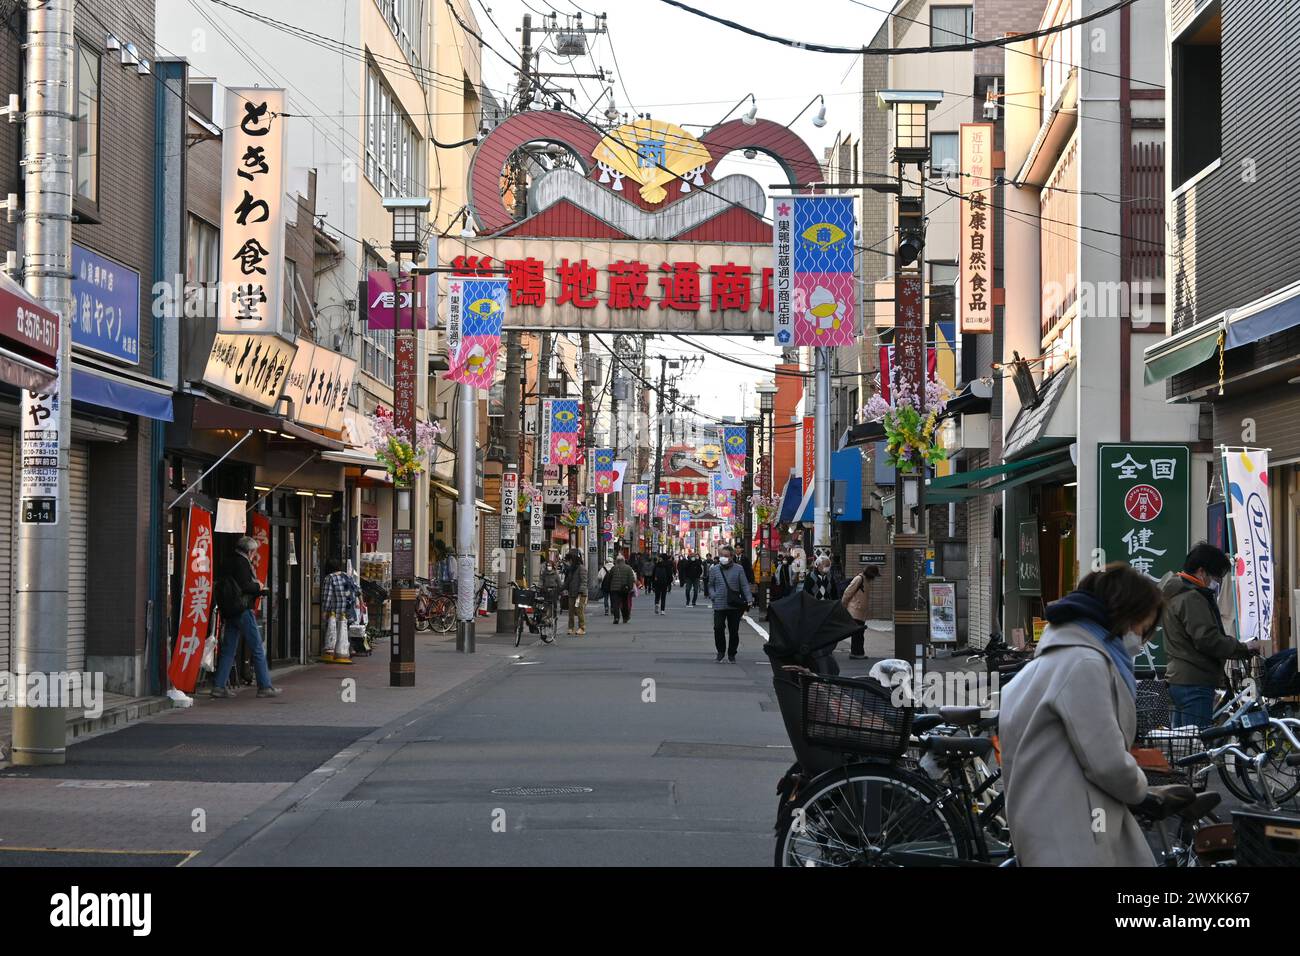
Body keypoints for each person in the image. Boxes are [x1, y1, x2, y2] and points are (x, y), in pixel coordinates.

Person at [999, 563, 1163, 866]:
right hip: (1075, 833)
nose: (1141, 639)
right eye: (1143, 627)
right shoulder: (1084, 663)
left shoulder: (1050, 660)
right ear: (1125, 616)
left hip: (1046, 827)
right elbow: (1107, 761)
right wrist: (1142, 789)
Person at [1159, 543, 1261, 728]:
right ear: (1201, 571)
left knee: (1184, 745)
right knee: (1196, 745)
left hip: (1180, 679)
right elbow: (1208, 639)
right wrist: (1243, 648)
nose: (1217, 582)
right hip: (1194, 681)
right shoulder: (1192, 597)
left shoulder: (1177, 593)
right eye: (1216, 577)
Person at [213, 536, 282, 699]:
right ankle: (265, 686)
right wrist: (258, 586)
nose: (254, 555)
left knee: (229, 649)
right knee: (257, 647)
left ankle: (218, 686)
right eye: (253, 552)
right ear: (250, 551)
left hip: (228, 611)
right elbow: (245, 586)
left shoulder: (227, 562)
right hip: (243, 610)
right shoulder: (243, 563)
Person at [707, 546, 753, 663]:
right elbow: (710, 584)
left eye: (726, 556)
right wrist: (713, 595)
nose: (724, 558)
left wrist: (749, 598)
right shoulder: (714, 569)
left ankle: (732, 653)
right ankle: (721, 651)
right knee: (718, 627)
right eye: (722, 555)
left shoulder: (739, 569)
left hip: (734, 604)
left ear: (732, 557)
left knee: (734, 630)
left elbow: (744, 585)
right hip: (719, 604)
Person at [320, 559, 359, 663]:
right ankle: (346, 650)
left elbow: (327, 596)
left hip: (335, 612)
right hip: (349, 610)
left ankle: (332, 652)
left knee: (333, 631)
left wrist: (324, 611)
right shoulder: (347, 576)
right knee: (344, 631)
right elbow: (357, 590)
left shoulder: (330, 578)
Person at [841, 564, 879, 659]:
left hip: (860, 611)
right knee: (858, 633)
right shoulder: (859, 579)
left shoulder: (866, 580)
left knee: (859, 633)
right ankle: (856, 653)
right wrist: (843, 606)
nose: (874, 578)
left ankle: (858, 652)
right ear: (870, 573)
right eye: (874, 575)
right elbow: (847, 592)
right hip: (855, 609)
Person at [606, 552, 637, 624]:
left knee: (615, 604)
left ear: (617, 561)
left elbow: (609, 578)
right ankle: (625, 617)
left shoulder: (613, 568)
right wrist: (630, 587)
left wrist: (610, 587)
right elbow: (631, 579)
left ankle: (616, 618)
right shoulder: (628, 568)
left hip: (614, 589)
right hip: (624, 589)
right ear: (624, 560)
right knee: (624, 603)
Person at [563, 551, 588, 635]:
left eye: (570, 560)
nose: (569, 562)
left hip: (580, 594)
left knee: (579, 610)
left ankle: (582, 627)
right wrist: (561, 588)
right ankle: (571, 628)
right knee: (571, 611)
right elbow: (567, 581)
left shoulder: (581, 568)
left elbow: (584, 581)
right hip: (572, 593)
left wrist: (581, 591)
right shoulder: (570, 569)